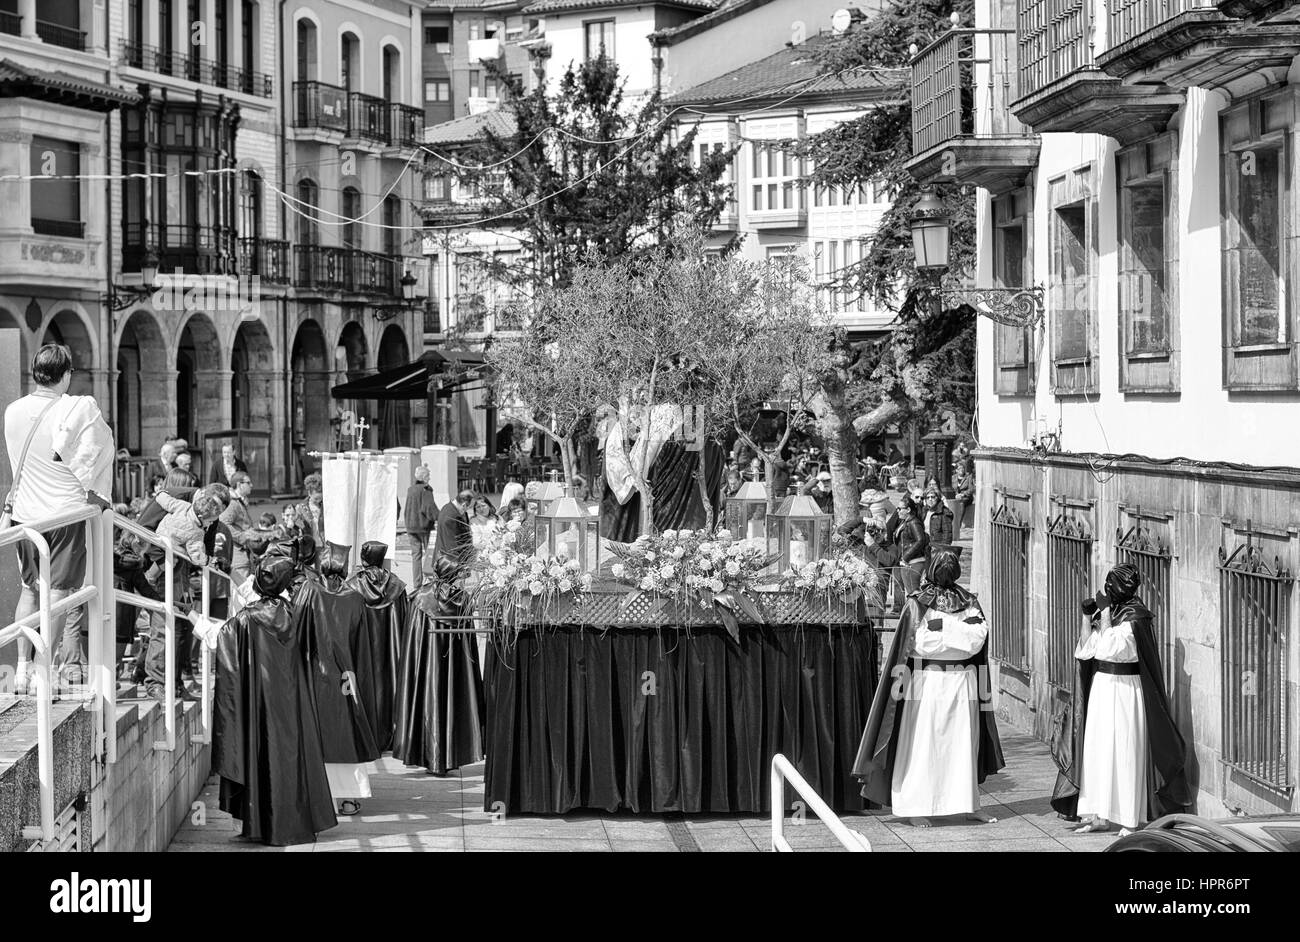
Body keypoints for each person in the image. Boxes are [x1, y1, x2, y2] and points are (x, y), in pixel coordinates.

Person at [853, 551, 1004, 827]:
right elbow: (920, 643)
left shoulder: (969, 602)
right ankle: (916, 805)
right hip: (928, 682)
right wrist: (957, 629)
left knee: (962, 746)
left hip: (962, 683)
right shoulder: (917, 603)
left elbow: (977, 639)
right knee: (924, 745)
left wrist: (941, 629)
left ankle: (968, 804)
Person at [4, 344, 114, 693]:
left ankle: (21, 668)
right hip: (65, 513)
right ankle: (43, 671)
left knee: (30, 591)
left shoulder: (12, 411)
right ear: (66, 374)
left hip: (25, 516)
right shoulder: (78, 408)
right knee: (60, 594)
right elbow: (97, 453)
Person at [1052, 565, 1191, 835]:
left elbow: (1109, 648)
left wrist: (1103, 614)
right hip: (1103, 687)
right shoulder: (1112, 614)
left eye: (1110, 585)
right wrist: (1085, 616)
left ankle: (1128, 818)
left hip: (1127, 690)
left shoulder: (1135, 617)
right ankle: (1099, 815)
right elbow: (1086, 650)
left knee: (1125, 752)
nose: (1106, 590)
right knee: (1098, 751)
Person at [211, 555, 337, 846]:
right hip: (293, 701)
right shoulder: (296, 614)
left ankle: (263, 824)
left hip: (259, 702)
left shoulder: (245, 619)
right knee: (292, 757)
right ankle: (295, 822)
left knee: (262, 755)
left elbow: (224, 645)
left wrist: (197, 623)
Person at [393, 490, 485, 775]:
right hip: (452, 666)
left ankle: (428, 753)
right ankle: (449, 754)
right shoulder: (461, 599)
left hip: (426, 667)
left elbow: (412, 642)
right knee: (451, 699)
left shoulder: (421, 598)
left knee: (427, 700)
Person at [294, 545, 380, 816]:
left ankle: (314, 795)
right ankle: (349, 797)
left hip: (314, 674)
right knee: (346, 734)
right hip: (346, 676)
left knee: (315, 733)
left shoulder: (308, 591)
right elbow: (362, 645)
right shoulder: (354, 598)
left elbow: (296, 632)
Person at [143, 491, 222, 700]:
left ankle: (169, 681)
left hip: (159, 551)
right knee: (164, 624)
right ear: (205, 519)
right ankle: (155, 681)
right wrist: (209, 561)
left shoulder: (182, 506)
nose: (210, 526)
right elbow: (197, 556)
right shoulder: (196, 533)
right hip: (171, 566)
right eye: (212, 522)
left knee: (176, 621)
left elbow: (164, 499)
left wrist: (158, 492)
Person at [344, 542, 410, 752]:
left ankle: (367, 732)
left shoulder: (352, 586)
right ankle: (393, 732)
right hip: (391, 649)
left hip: (363, 649)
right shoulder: (397, 587)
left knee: (364, 684)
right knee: (390, 684)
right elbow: (405, 621)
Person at [403, 465, 440, 591]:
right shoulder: (426, 489)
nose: (429, 478)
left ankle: (417, 585)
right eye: (428, 476)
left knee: (416, 556)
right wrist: (439, 517)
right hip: (423, 527)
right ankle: (433, 581)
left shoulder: (411, 489)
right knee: (431, 554)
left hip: (411, 526)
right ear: (424, 477)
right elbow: (429, 508)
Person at [219, 471, 259, 584]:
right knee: (241, 595)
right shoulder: (232, 503)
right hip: (237, 558)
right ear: (239, 484)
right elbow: (223, 523)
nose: (251, 485)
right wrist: (241, 537)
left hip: (243, 556)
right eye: (248, 482)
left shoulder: (239, 501)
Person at [894, 496, 929, 598]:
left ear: (908, 510)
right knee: (911, 593)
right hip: (907, 562)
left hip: (913, 562)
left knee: (914, 593)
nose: (898, 511)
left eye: (900, 509)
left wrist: (906, 557)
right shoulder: (905, 521)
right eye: (897, 508)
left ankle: (917, 613)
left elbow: (920, 540)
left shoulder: (913, 522)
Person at [295, 472, 325, 546]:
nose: (318, 501)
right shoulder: (301, 508)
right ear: (309, 493)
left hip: (324, 544)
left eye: (321, 498)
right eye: (316, 498)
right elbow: (296, 526)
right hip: (309, 545)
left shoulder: (325, 506)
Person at [924, 488, 954, 553]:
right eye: (927, 497)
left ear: (937, 498)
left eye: (932, 497)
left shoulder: (944, 512)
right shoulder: (924, 511)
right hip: (925, 549)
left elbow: (947, 534)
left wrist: (942, 550)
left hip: (937, 549)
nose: (930, 499)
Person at [953, 460, 975, 541]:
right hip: (956, 497)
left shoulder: (968, 477)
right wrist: (956, 495)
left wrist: (963, 494)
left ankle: (957, 525)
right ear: (956, 470)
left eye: (962, 469)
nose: (961, 470)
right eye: (959, 469)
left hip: (966, 498)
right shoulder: (953, 477)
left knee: (961, 504)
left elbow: (971, 489)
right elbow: (952, 488)